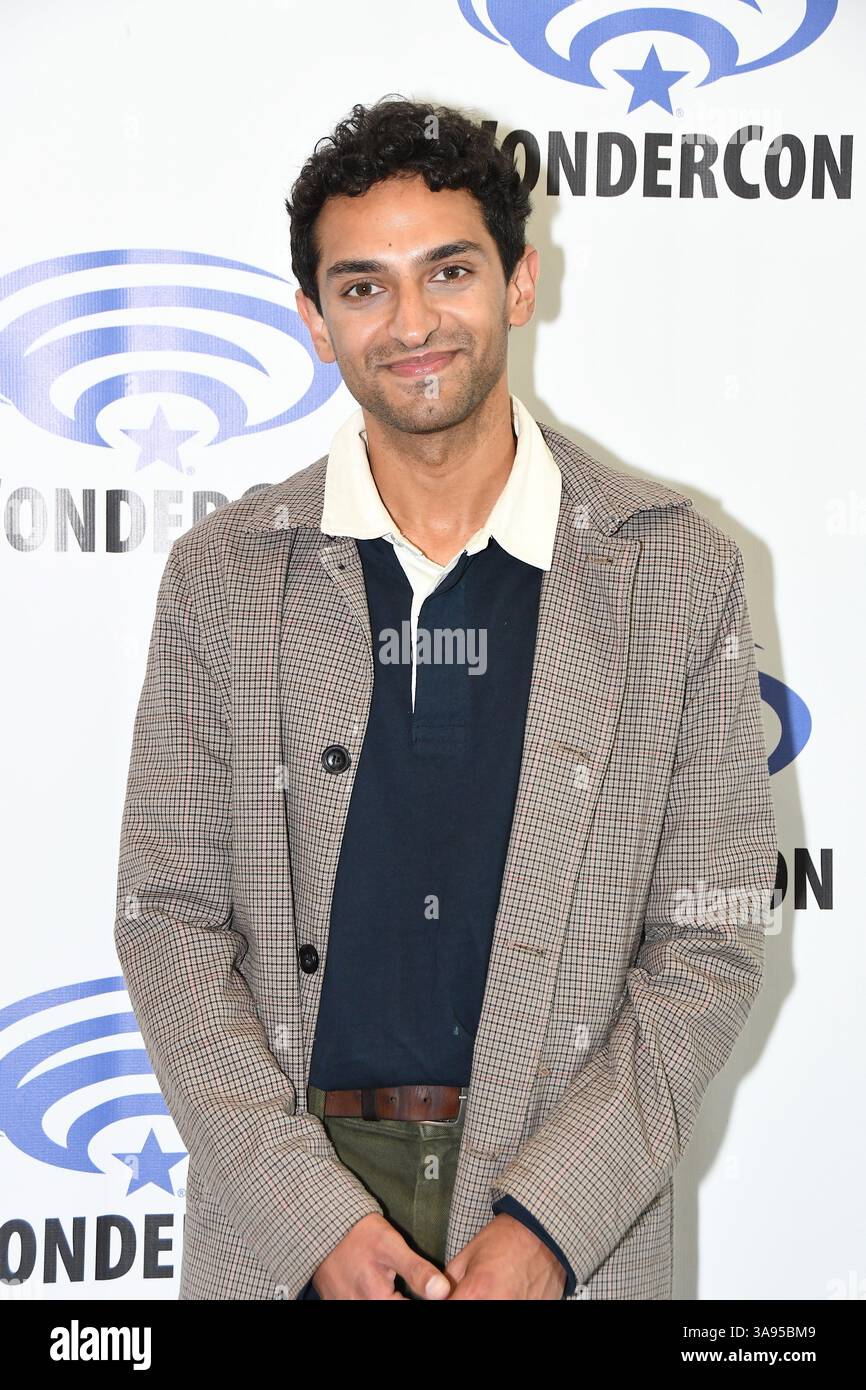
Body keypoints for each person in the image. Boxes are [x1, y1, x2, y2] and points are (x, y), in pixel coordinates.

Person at [114, 96, 778, 1301]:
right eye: (362, 288)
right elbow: (166, 916)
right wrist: (306, 1214)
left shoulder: (672, 568)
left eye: (448, 271)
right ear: (315, 322)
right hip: (285, 1212)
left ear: (519, 284)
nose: (411, 323)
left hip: (563, 1209)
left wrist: (549, 1222)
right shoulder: (221, 575)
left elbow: (714, 934)